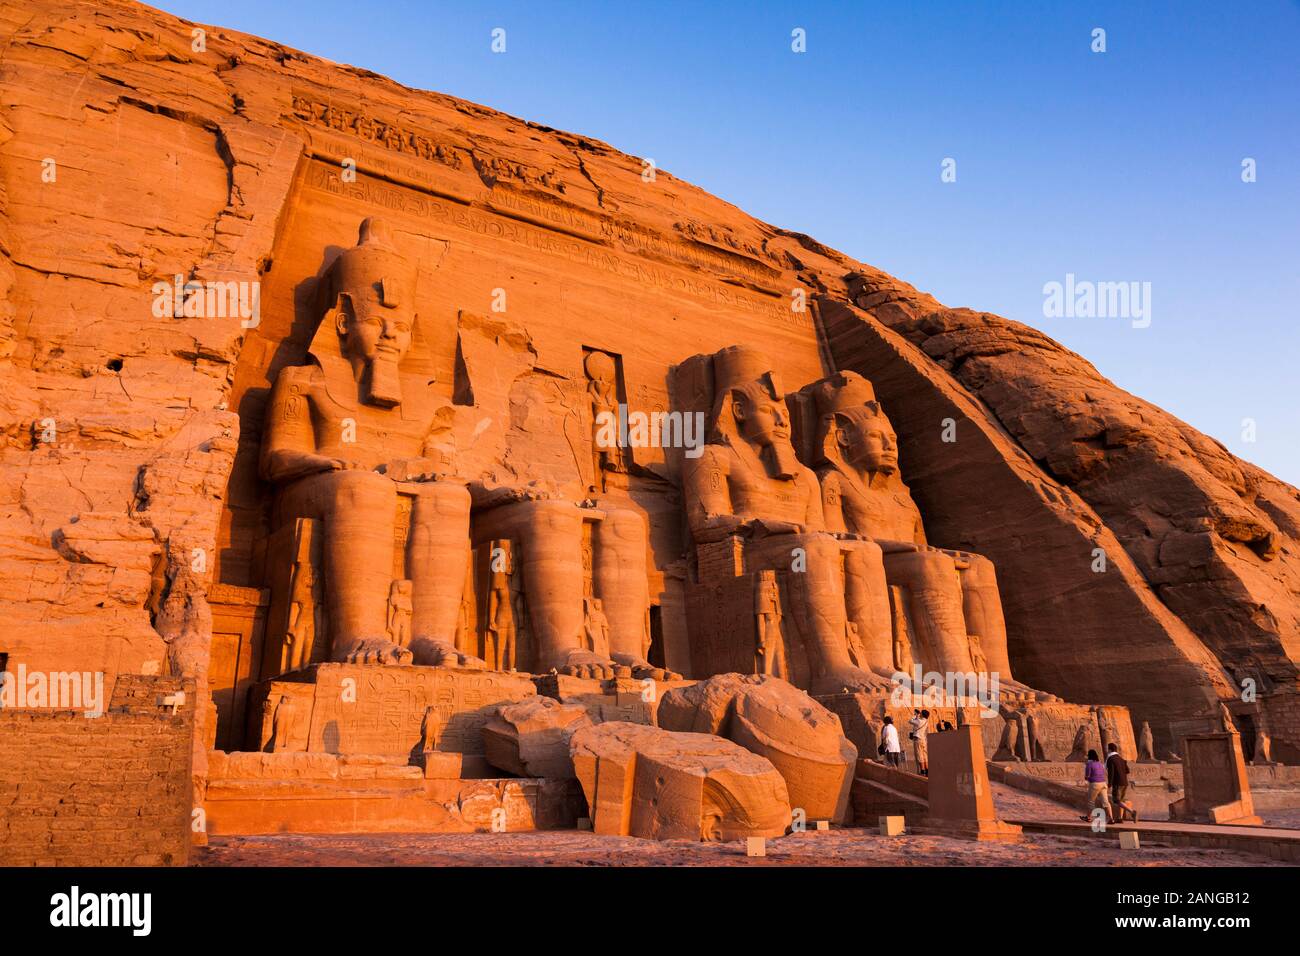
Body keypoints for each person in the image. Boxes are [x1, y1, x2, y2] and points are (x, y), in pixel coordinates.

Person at [1106, 742, 1138, 823]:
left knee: (1117, 800)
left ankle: (1132, 812)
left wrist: (1109, 784)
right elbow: (1127, 771)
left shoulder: (1111, 759)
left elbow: (1111, 773)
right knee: (1122, 800)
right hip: (1124, 782)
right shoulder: (1122, 759)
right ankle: (1119, 818)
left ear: (1109, 750)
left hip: (1117, 782)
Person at [1081, 748, 1112, 823]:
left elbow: (1087, 776)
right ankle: (1111, 818)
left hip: (1095, 784)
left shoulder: (1089, 764)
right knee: (1106, 802)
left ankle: (1088, 817)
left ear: (1089, 756)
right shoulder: (1100, 763)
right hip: (1103, 783)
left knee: (1091, 801)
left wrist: (1087, 778)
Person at [908, 709, 930, 776]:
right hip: (923, 739)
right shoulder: (926, 721)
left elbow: (910, 721)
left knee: (919, 755)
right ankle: (927, 770)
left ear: (922, 714)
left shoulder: (919, 721)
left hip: (918, 739)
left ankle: (922, 770)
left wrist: (915, 715)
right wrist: (918, 716)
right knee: (925, 755)